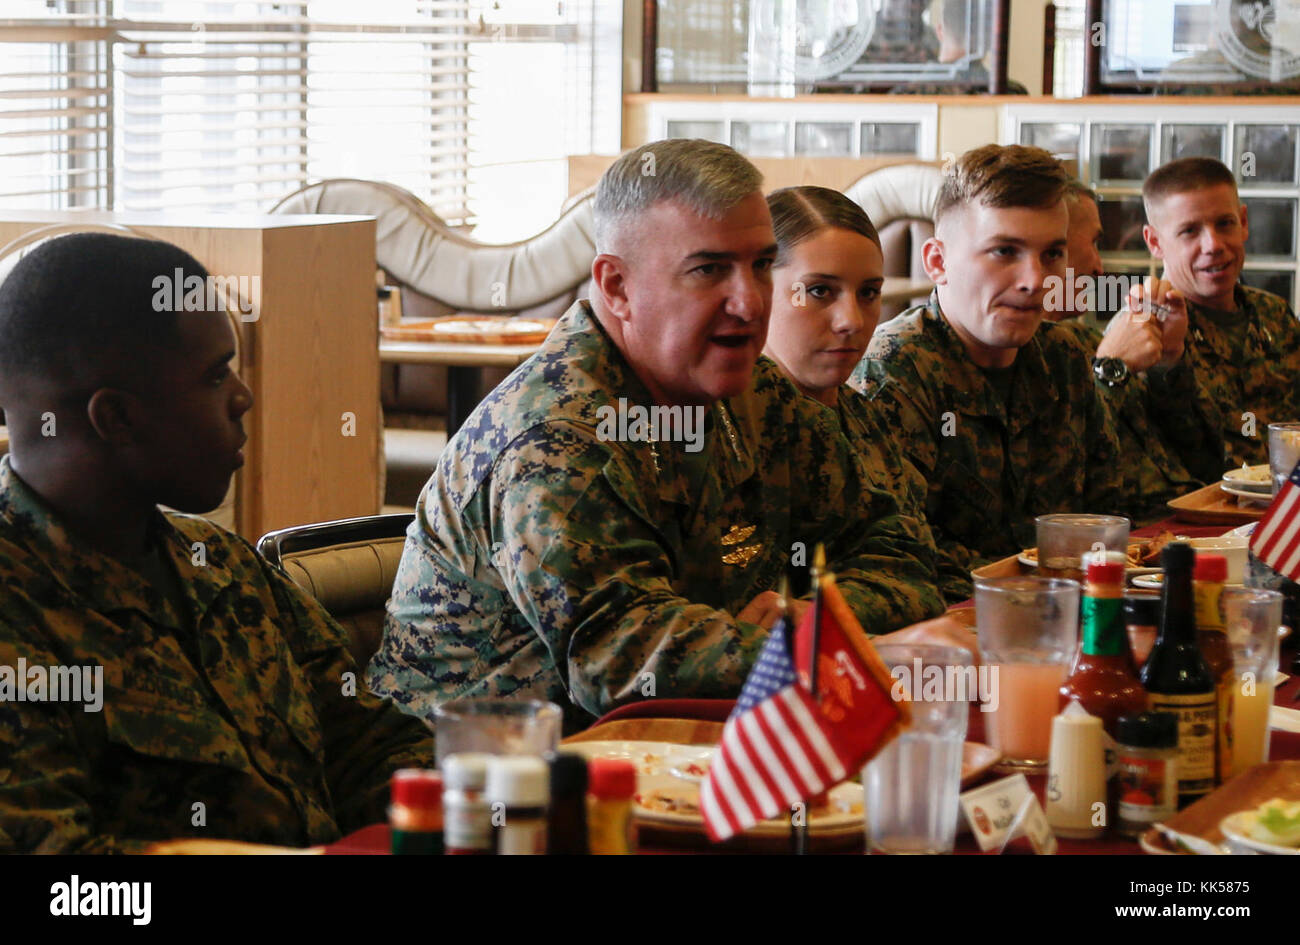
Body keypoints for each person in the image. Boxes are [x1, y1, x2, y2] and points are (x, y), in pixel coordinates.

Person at [369, 139, 955, 734]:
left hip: (680, 745)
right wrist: (841, 652)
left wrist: (812, 619)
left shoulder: (757, 393)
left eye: (759, 264)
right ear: (617, 287)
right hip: (473, 783)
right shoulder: (554, 439)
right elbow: (627, 661)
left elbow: (901, 555)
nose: (749, 302)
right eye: (709, 270)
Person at [0, 234, 433, 853]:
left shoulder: (221, 565)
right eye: (213, 376)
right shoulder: (19, 610)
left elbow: (374, 748)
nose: (242, 396)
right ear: (116, 418)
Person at [850, 144, 1126, 598]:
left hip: (1070, 617)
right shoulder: (892, 372)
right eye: (1004, 251)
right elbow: (905, 555)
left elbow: (1108, 515)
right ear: (938, 262)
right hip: (952, 633)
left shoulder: (1066, 358)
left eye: (1052, 254)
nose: (1035, 280)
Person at [762, 185, 963, 596]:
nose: (851, 320)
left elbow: (915, 570)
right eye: (819, 291)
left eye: (869, 293)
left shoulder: (863, 416)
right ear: (755, 291)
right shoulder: (720, 427)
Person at [1049, 181, 1202, 522]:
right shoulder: (1017, 361)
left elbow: (1200, 455)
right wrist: (1109, 368)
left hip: (1185, 522)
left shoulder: (1081, 339)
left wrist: (1170, 361)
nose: (1100, 268)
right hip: (1123, 544)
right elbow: (1062, 495)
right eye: (1093, 242)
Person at [1140, 156, 1300, 472]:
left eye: (1224, 223)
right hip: (1197, 515)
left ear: (1243, 223)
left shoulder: (1275, 316)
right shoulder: (1145, 331)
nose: (1213, 245)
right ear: (1155, 242)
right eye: (1189, 231)